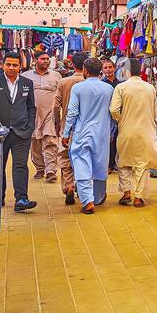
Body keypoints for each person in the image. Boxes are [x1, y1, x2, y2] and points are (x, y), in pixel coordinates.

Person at [0, 53, 37, 212]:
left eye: (14, 65)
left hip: (21, 132)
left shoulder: (27, 83)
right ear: (2, 65)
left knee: (20, 166)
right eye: (8, 64)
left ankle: (22, 199)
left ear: (20, 66)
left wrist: (30, 125)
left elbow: (31, 107)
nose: (11, 68)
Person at [62, 58, 115, 214]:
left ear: (85, 70)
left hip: (83, 132)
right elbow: (112, 113)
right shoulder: (108, 89)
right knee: (100, 165)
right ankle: (98, 197)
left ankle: (87, 201)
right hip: (102, 133)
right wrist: (111, 131)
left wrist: (66, 133)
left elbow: (72, 113)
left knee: (82, 164)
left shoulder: (78, 88)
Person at [110, 72, 157, 207]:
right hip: (146, 131)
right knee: (142, 163)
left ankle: (126, 192)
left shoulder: (121, 87)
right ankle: (139, 197)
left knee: (123, 161)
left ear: (127, 72)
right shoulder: (150, 88)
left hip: (126, 130)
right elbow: (154, 111)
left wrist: (121, 120)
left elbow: (114, 110)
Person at [55, 52, 88, 205]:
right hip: (86, 127)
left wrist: (57, 123)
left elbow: (55, 106)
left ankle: (68, 185)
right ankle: (82, 188)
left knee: (65, 157)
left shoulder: (64, 82)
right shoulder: (92, 82)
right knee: (84, 158)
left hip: (66, 125)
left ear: (72, 65)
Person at [26, 52, 62, 183]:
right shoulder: (26, 76)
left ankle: (50, 170)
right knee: (35, 143)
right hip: (32, 115)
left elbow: (60, 95)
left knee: (50, 141)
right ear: (35, 60)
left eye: (47, 59)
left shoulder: (56, 76)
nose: (46, 61)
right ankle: (40, 168)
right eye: (43, 59)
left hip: (50, 114)